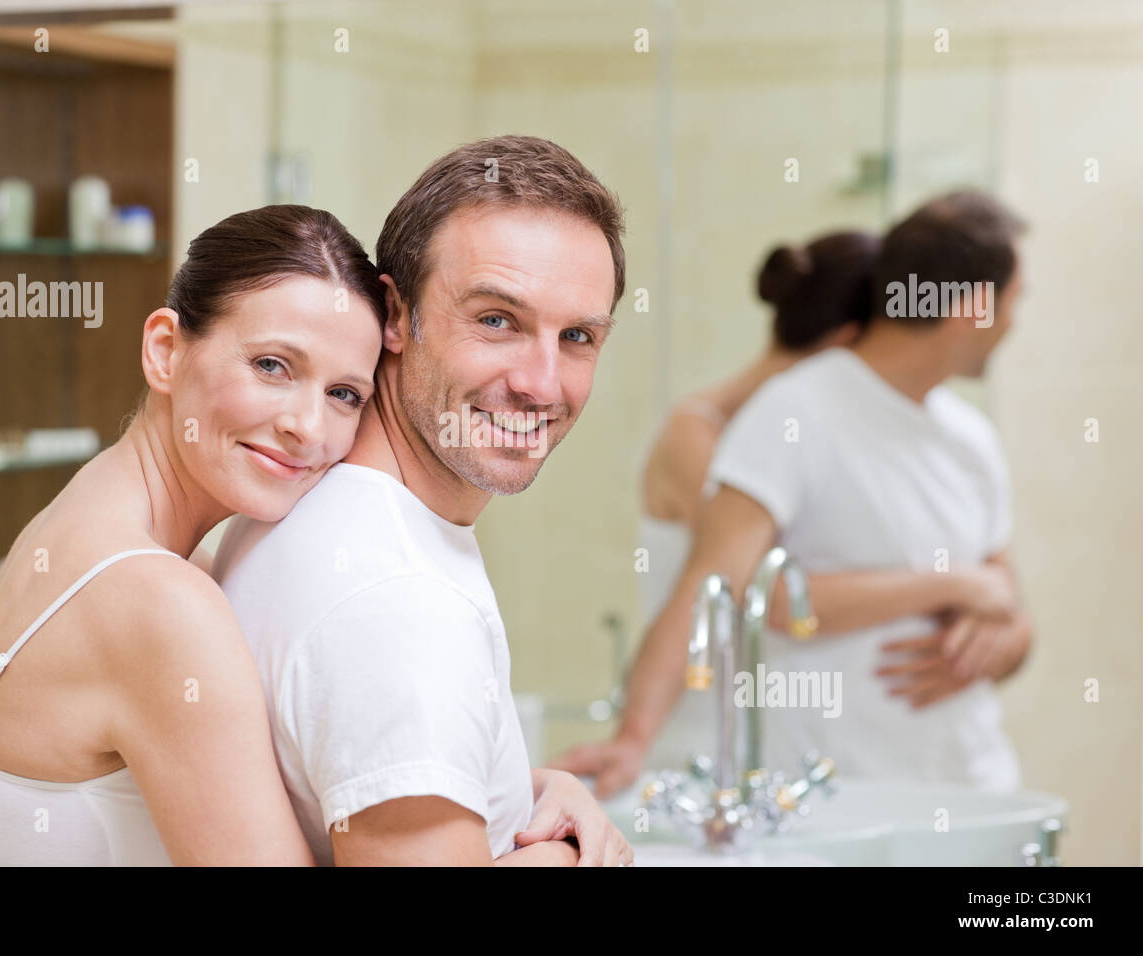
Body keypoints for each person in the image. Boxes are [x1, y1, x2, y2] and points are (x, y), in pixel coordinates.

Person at [0, 203, 605, 866]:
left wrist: (536, 789)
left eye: (345, 394)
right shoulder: (156, 601)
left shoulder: (109, 532)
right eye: (272, 366)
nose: (307, 427)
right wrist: (564, 857)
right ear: (165, 351)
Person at [213, 135, 636, 866]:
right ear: (394, 314)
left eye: (576, 336)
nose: (541, 382)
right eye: (497, 319)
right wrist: (568, 857)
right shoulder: (397, 599)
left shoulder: (315, 511)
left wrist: (524, 793)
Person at [557, 191, 1033, 797]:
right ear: (974, 308)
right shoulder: (794, 413)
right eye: (1015, 301)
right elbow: (715, 589)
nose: (1017, 321)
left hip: (974, 785)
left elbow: (1008, 600)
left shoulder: (974, 440)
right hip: (843, 797)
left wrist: (1007, 634)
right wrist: (633, 737)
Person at [629, 231, 879, 771]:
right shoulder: (694, 437)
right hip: (701, 746)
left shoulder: (804, 439)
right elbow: (781, 592)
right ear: (846, 341)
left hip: (776, 746)